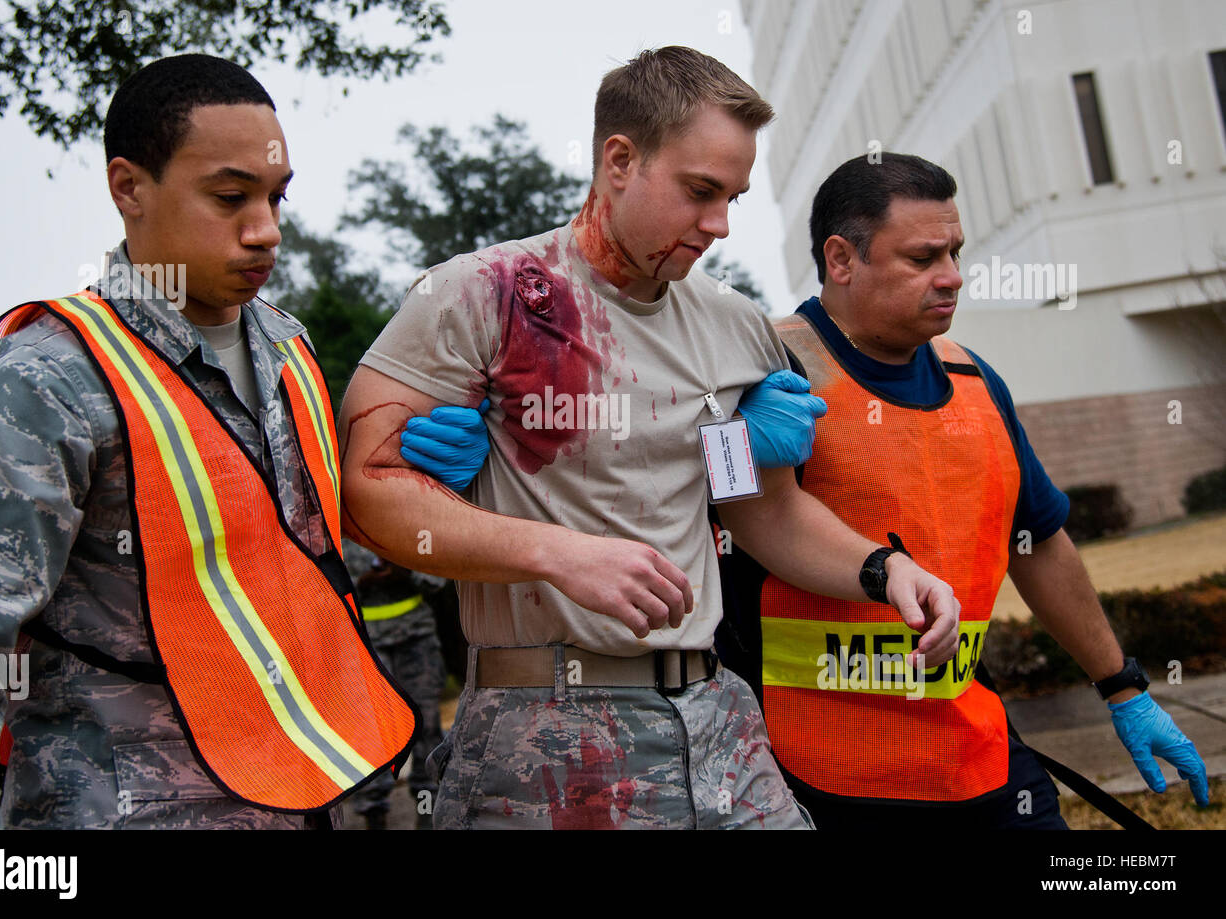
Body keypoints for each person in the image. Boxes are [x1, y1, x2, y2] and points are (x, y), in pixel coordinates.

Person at [340, 47, 963, 830]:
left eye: (733, 197)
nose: (720, 225)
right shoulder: (481, 295)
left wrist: (884, 568)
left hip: (717, 720)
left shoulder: (733, 324)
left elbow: (758, 512)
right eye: (700, 191)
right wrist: (554, 550)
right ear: (620, 160)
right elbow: (366, 492)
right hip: (545, 733)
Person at [0, 53, 469, 829]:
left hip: (301, 792)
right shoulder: (45, 380)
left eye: (278, 197)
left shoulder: (290, 350)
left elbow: (291, 560)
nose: (266, 230)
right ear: (128, 188)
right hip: (122, 808)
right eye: (230, 196)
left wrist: (419, 482)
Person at [717, 152, 1211, 829]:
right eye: (923, 258)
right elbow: (719, 513)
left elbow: (1037, 542)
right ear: (841, 259)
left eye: (955, 252)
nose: (951, 277)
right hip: (822, 773)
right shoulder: (767, 373)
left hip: (976, 753)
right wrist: (727, 444)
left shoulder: (976, 381)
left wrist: (1123, 688)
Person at [343, 539, 448, 830]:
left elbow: (438, 579)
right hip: (366, 644)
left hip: (417, 639)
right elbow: (321, 583)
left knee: (426, 727)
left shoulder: (406, 528)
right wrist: (359, 582)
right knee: (375, 733)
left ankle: (428, 814)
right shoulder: (339, 528)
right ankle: (374, 816)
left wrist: (408, 573)